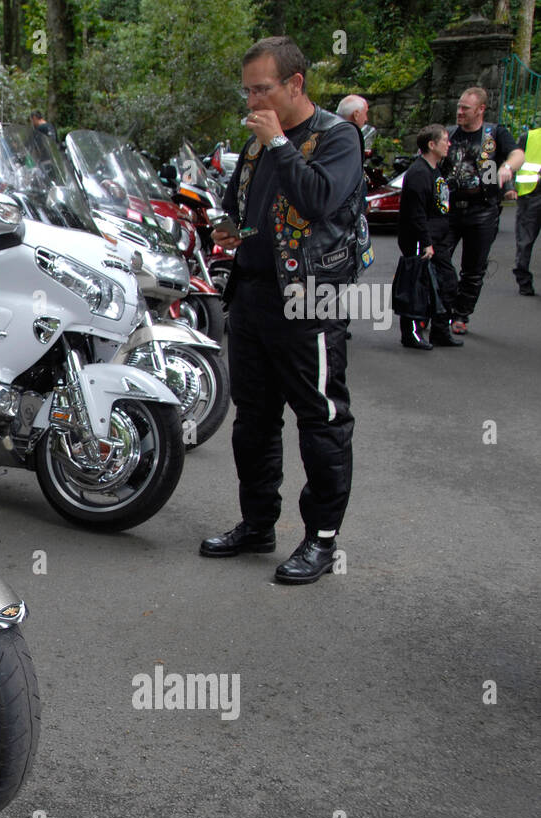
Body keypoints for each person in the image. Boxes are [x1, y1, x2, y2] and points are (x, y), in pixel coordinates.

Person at [199, 36, 365, 585]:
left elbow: (319, 200)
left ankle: (320, 540)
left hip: (311, 300)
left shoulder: (338, 138)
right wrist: (230, 229)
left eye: (262, 89)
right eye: (246, 90)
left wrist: (277, 145)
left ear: (296, 84)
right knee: (253, 421)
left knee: (321, 420)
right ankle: (257, 523)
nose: (251, 101)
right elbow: (240, 210)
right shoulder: (255, 144)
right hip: (252, 296)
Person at [439, 87, 524, 331]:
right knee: (440, 259)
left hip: (482, 210)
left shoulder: (494, 133)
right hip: (451, 209)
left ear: (481, 109)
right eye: (459, 106)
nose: (460, 111)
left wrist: (507, 167)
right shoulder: (451, 133)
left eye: (466, 108)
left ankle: (460, 315)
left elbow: (518, 154)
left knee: (474, 267)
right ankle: (442, 307)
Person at [397, 124, 457, 349]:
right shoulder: (419, 173)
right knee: (416, 285)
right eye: (444, 140)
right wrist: (426, 242)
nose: (448, 144)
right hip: (421, 241)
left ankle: (440, 330)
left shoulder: (435, 169)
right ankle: (410, 334)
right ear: (431, 145)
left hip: (437, 238)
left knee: (445, 283)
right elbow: (416, 213)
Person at [512, 123, 541, 295]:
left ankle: (523, 279)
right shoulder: (528, 137)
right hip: (532, 193)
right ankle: (523, 279)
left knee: (525, 239)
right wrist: (509, 187)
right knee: (525, 240)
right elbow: (513, 161)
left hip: (531, 195)